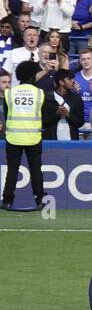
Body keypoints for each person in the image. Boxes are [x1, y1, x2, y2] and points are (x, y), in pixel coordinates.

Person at [1, 60, 45, 210]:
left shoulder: (9, 93)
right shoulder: (39, 93)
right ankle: (40, 200)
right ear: (32, 76)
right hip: (33, 137)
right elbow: (42, 115)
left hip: (14, 137)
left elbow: (7, 116)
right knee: (35, 170)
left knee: (12, 170)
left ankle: (7, 200)